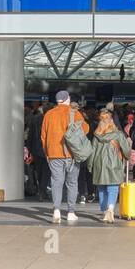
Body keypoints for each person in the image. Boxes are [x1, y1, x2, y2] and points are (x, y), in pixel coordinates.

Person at [41, 90, 89, 224]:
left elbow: (43, 136)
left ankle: (56, 210)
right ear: (68, 99)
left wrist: (47, 153)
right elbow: (85, 129)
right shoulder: (74, 113)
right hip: (72, 153)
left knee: (56, 182)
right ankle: (71, 212)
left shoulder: (48, 115)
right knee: (72, 183)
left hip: (54, 154)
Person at [88, 109, 132, 225]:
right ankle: (111, 209)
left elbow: (92, 152)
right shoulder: (118, 134)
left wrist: (90, 166)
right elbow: (126, 150)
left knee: (102, 189)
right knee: (112, 188)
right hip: (114, 165)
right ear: (111, 121)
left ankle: (104, 211)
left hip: (99, 166)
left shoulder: (96, 136)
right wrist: (127, 157)